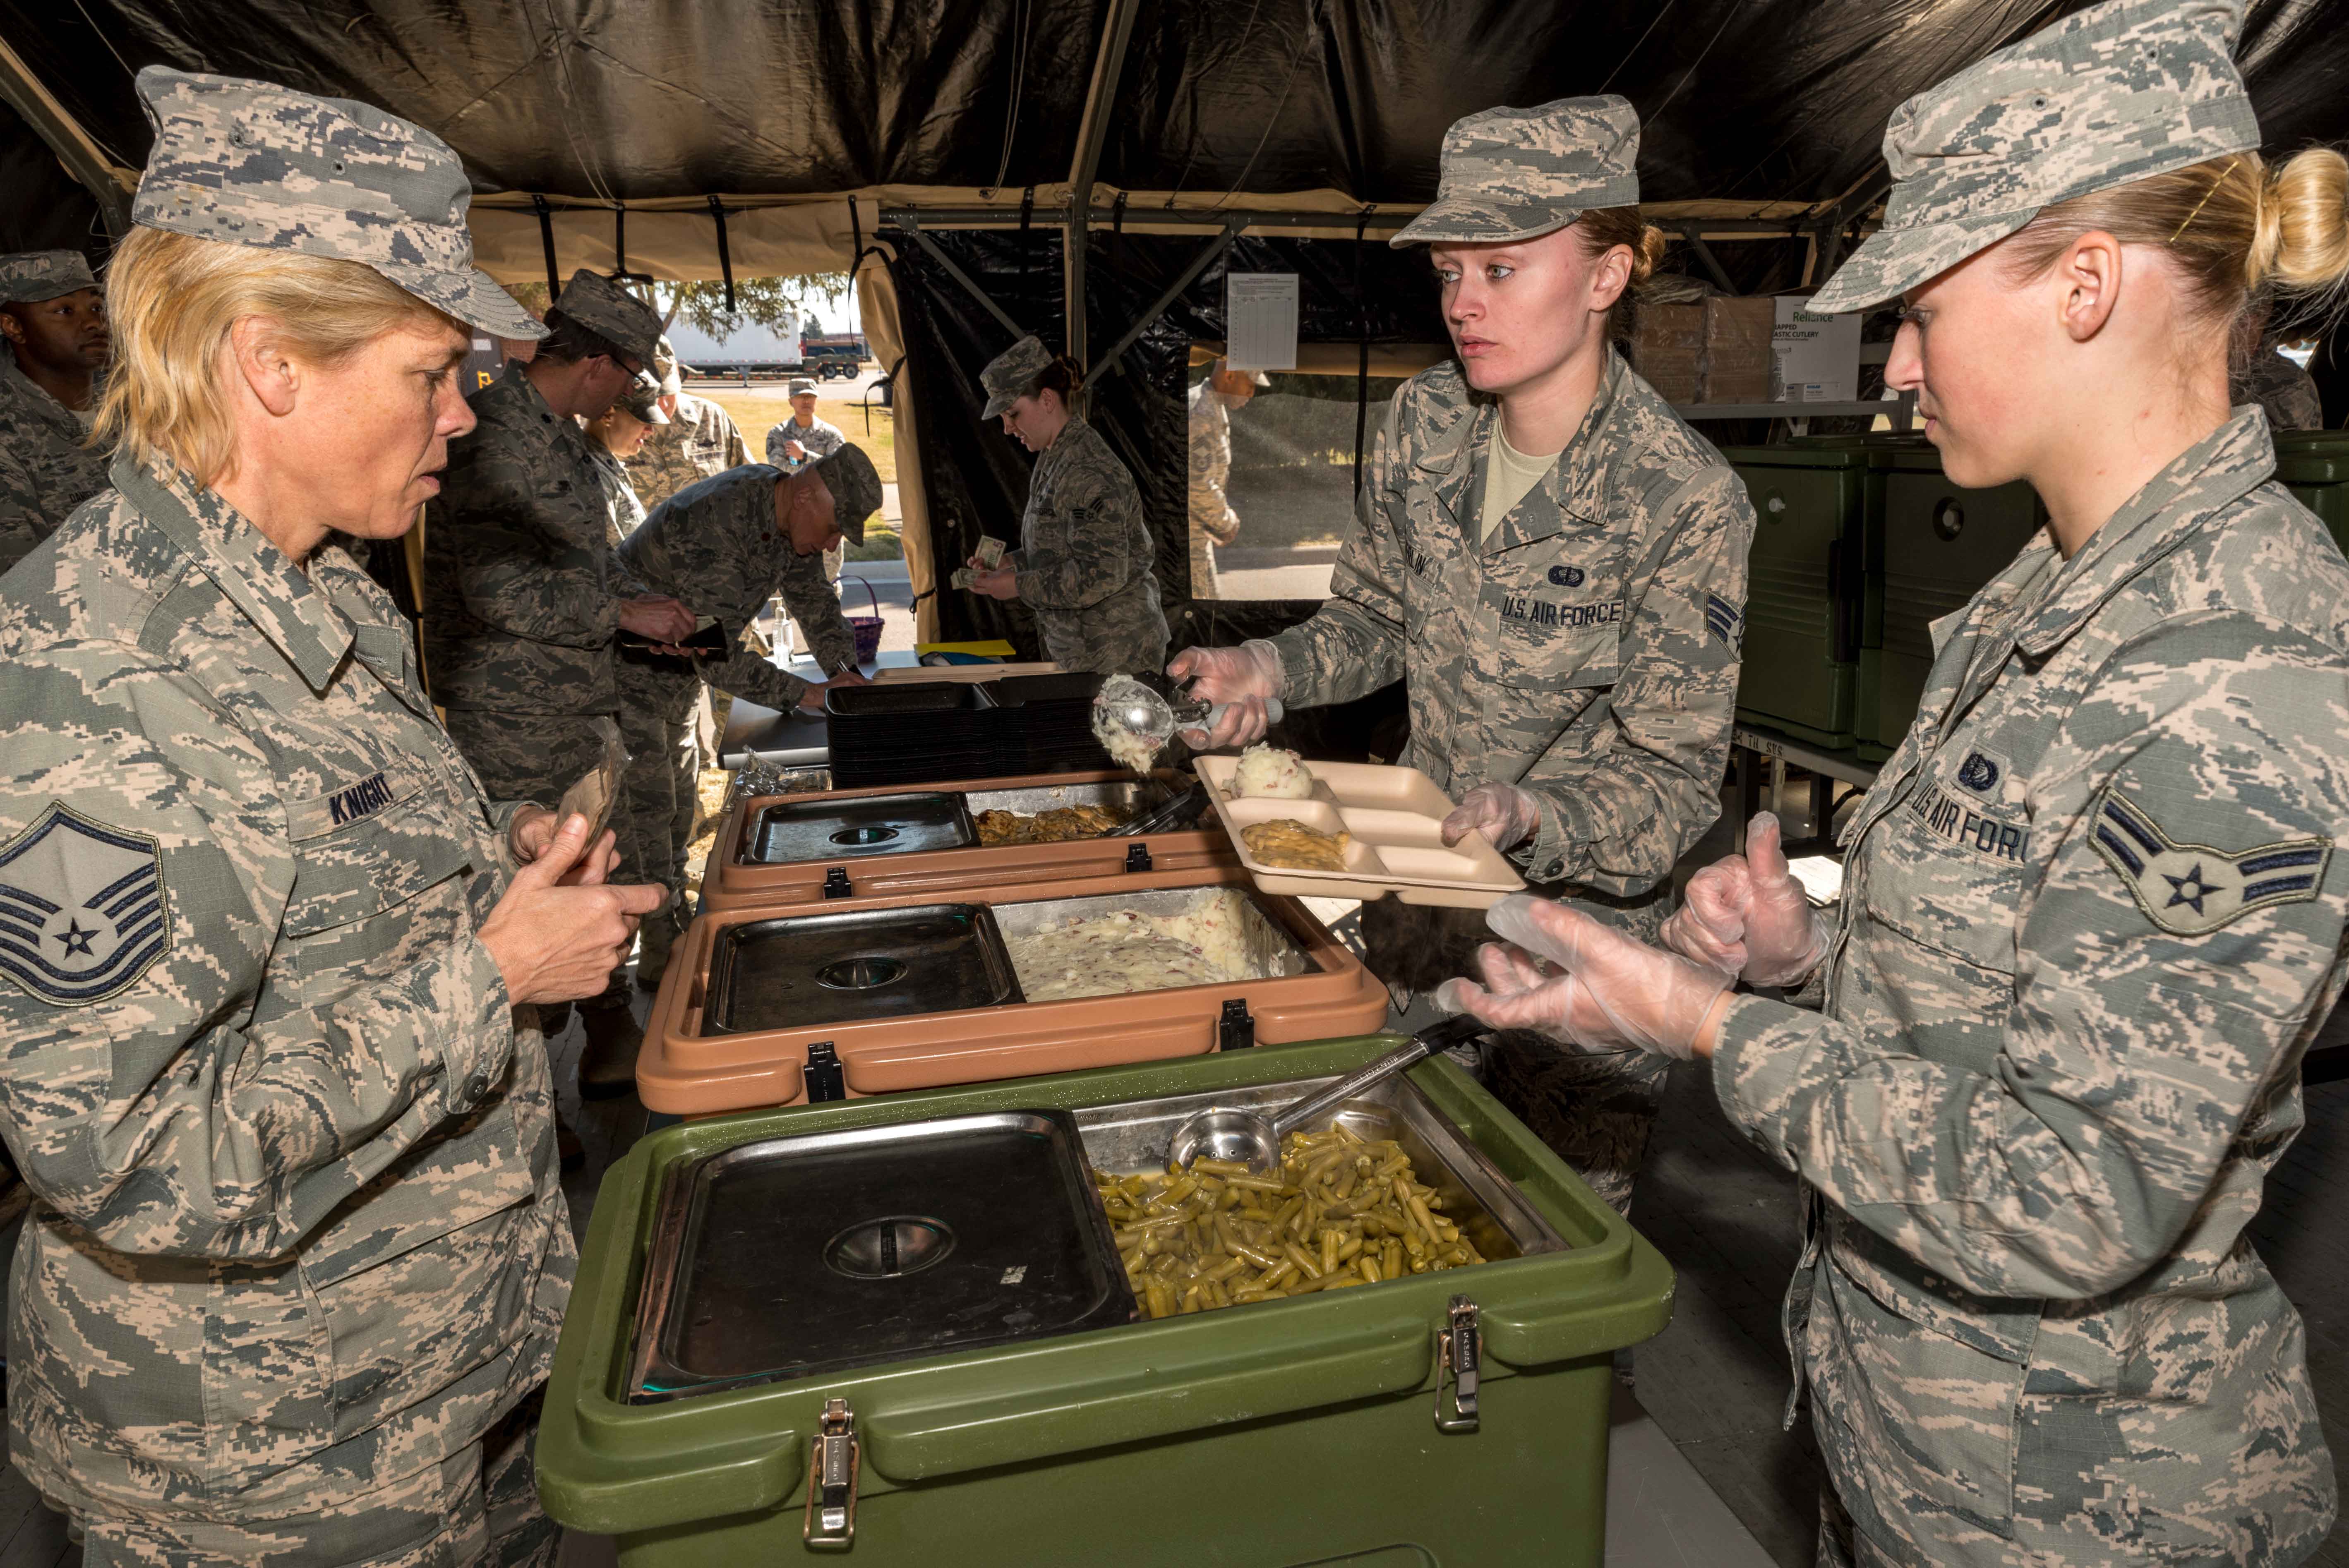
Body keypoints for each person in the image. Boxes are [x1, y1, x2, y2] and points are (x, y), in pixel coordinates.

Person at [1440, 4, 2347, 1562]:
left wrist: (1701, 1022)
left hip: (2088, 1507)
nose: (1898, 361)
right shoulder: (2046, 594)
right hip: (1911, 1448)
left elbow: (2075, 1188)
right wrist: (1809, 959)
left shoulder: (2244, 675)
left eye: (1923, 307)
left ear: (2085, 284)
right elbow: (2008, 994)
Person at [0, 66, 667, 1563]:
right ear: (272, 364)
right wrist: (492, 975)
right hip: (275, 1468)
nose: (460, 418)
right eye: (433, 372)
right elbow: (126, 1153)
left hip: (458, 1367)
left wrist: (500, 853)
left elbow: (343, 853)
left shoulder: (322, 586)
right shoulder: (91, 682)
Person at [1169, 96, 1754, 1213]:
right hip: (1419, 903)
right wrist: (1270, 670)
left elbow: (1675, 779)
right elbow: (1374, 616)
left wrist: (1531, 811)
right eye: (1447, 272)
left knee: (1549, 1236)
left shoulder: (1681, 501)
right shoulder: (1424, 423)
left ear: (1604, 275)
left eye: (1499, 269)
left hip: (1571, 949)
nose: (1461, 305)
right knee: (1392, 1198)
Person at [423, 268, 694, 1093]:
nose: (623, 396)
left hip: (574, 705)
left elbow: (580, 564)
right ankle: (516, 1089)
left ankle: (608, 1036)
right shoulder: (495, 437)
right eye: (626, 377)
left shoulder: (556, 435)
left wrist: (635, 599)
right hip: (513, 715)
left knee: (590, 869)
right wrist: (622, 615)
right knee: (523, 889)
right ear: (599, 366)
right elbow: (499, 591)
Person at [613, 451, 883, 989]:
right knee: (645, 819)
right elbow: (706, 647)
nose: (832, 544)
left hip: (673, 683)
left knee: (675, 814)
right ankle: (656, 967)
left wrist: (845, 674)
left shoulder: (789, 516)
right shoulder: (721, 520)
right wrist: (804, 692)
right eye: (833, 529)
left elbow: (814, 601)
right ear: (807, 494)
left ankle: (671, 937)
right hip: (627, 681)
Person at [966, 335, 1169, 675]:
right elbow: (1062, 549)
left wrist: (1016, 584)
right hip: (1083, 648)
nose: (1007, 428)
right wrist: (1011, 563)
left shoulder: (1087, 470)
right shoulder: (1054, 457)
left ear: (1047, 400)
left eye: (1013, 413)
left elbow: (1100, 574)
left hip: (1115, 653)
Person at [0, 249, 113, 572]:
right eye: (64, 311)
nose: (94, 322)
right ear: (13, 327)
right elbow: (19, 585)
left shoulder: (143, 410)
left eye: (96, 307)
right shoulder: (10, 440)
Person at [625, 333, 749, 511]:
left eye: (667, 392)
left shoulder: (711, 417)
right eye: (653, 395)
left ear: (677, 370)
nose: (663, 404)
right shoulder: (612, 428)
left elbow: (749, 482)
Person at [1185, 359, 1264, 599]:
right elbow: (1196, 484)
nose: (1252, 394)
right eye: (1250, 385)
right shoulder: (1201, 413)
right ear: (1230, 375)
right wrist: (1227, 522)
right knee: (1202, 625)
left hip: (1195, 538)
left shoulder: (1210, 406)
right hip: (1188, 544)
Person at [585, 372, 671, 536]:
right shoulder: (591, 476)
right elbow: (609, 557)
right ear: (607, 415)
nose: (650, 431)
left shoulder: (604, 465)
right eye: (643, 420)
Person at [765, 375, 847, 468]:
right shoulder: (778, 434)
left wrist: (805, 456)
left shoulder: (832, 434)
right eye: (800, 396)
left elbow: (837, 470)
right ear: (791, 402)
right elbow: (780, 471)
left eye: (811, 396)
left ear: (816, 400)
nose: (806, 401)